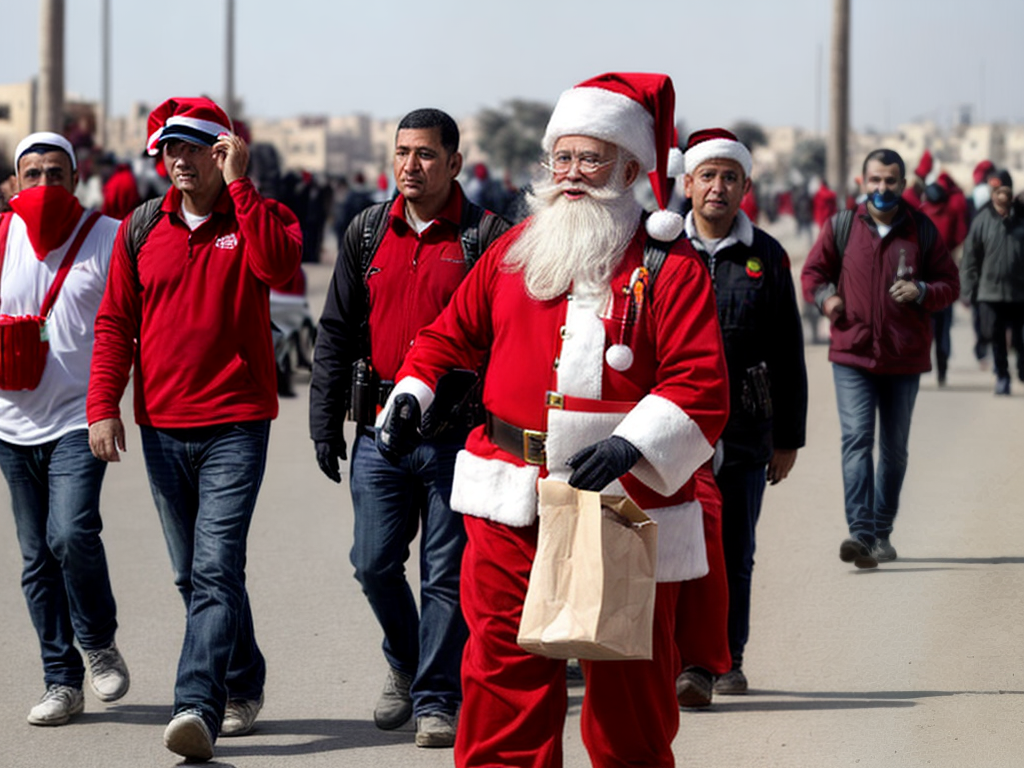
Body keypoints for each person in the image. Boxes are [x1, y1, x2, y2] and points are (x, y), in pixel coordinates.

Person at [374, 72, 729, 767]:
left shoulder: (669, 264)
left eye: (589, 158)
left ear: (629, 167)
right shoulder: (515, 251)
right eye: (560, 158)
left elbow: (701, 383)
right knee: (501, 680)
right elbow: (445, 336)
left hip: (624, 504)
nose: (569, 175)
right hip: (511, 495)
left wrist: (632, 445)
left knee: (629, 692)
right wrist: (412, 388)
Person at [86, 97, 302, 761]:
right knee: (195, 574)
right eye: (168, 150)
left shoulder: (262, 218)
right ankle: (244, 682)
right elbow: (116, 322)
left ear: (222, 150)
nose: (177, 160)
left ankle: (196, 707)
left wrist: (243, 182)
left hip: (236, 424)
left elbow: (278, 268)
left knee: (213, 567)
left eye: (192, 148)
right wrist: (102, 404)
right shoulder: (141, 228)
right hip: (163, 425)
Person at [309, 108, 510, 749]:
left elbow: (511, 339)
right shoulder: (368, 231)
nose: (410, 165)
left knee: (444, 577)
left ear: (455, 161)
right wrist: (323, 420)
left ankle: (434, 698)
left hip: (458, 437)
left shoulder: (490, 238)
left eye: (425, 154)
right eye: (402, 152)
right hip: (377, 436)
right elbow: (336, 330)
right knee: (371, 564)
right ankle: (405, 657)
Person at [673, 128, 808, 700]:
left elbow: (788, 353)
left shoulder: (767, 257)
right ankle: (684, 664)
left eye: (730, 177)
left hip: (747, 431)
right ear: (688, 184)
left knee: (734, 550)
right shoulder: (660, 250)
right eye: (708, 176)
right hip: (671, 431)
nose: (718, 188)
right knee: (676, 548)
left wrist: (788, 438)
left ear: (746, 186)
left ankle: (727, 658)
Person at [0, 131, 129, 727]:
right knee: (35, 559)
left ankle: (97, 641)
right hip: (12, 425)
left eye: (57, 173)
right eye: (34, 174)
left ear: (76, 178)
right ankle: (61, 680)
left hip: (81, 418)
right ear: (15, 183)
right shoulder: (3, 237)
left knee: (71, 534)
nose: (45, 185)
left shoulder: (108, 237)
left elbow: (134, 321)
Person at [801, 148, 959, 569]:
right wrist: (827, 298)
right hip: (852, 353)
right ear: (862, 182)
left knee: (894, 450)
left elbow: (950, 283)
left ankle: (882, 532)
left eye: (890, 181)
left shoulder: (921, 230)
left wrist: (923, 291)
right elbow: (813, 273)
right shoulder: (842, 226)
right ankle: (861, 533)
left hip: (903, 358)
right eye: (875, 180)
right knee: (856, 441)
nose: (882, 188)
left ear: (903, 185)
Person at [959, 174, 1024, 395]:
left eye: (1005, 190)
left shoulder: (1021, 218)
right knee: (995, 336)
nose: (1001, 194)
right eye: (997, 190)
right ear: (992, 194)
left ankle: (1022, 369)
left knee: (1019, 337)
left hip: (1019, 292)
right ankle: (1003, 376)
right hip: (989, 292)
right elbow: (970, 257)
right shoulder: (982, 220)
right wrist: (967, 288)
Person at [920, 172, 970, 386]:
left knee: (925, 324)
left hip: (923, 278)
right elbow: (960, 237)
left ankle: (923, 365)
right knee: (944, 325)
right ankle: (942, 369)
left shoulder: (919, 216)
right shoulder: (950, 214)